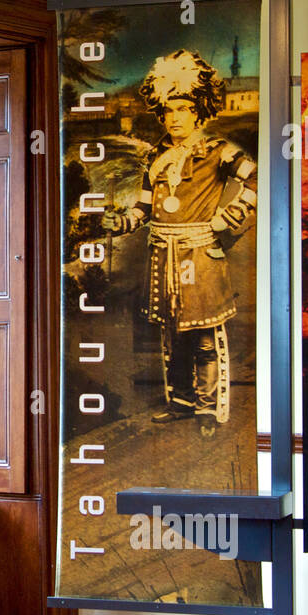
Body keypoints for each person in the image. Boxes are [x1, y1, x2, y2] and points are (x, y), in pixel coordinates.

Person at [105, 50, 257, 437]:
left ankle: (208, 409)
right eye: (169, 110)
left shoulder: (220, 150)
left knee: (204, 337)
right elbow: (142, 210)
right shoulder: (156, 156)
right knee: (172, 337)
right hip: (162, 256)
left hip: (200, 254)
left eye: (184, 108)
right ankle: (182, 402)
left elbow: (258, 180)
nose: (175, 117)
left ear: (199, 110)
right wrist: (120, 221)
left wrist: (225, 220)